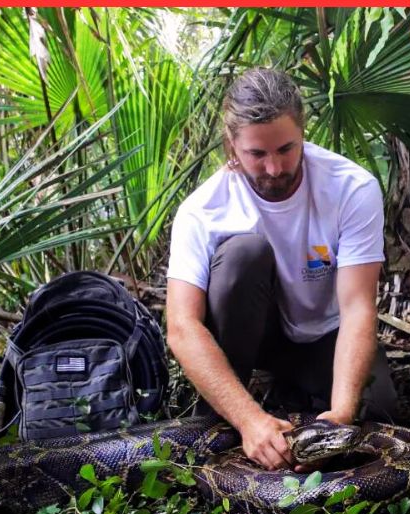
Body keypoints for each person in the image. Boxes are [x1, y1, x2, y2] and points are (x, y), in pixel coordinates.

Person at [165, 68, 398, 471]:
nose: (275, 168)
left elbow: (358, 308)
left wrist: (340, 416)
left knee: (379, 413)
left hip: (325, 335)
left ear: (303, 131)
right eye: (257, 154)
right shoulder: (202, 210)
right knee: (243, 255)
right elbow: (182, 327)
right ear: (232, 145)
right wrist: (248, 420)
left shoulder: (351, 187)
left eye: (286, 149)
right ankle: (219, 417)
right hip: (256, 340)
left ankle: (294, 393)